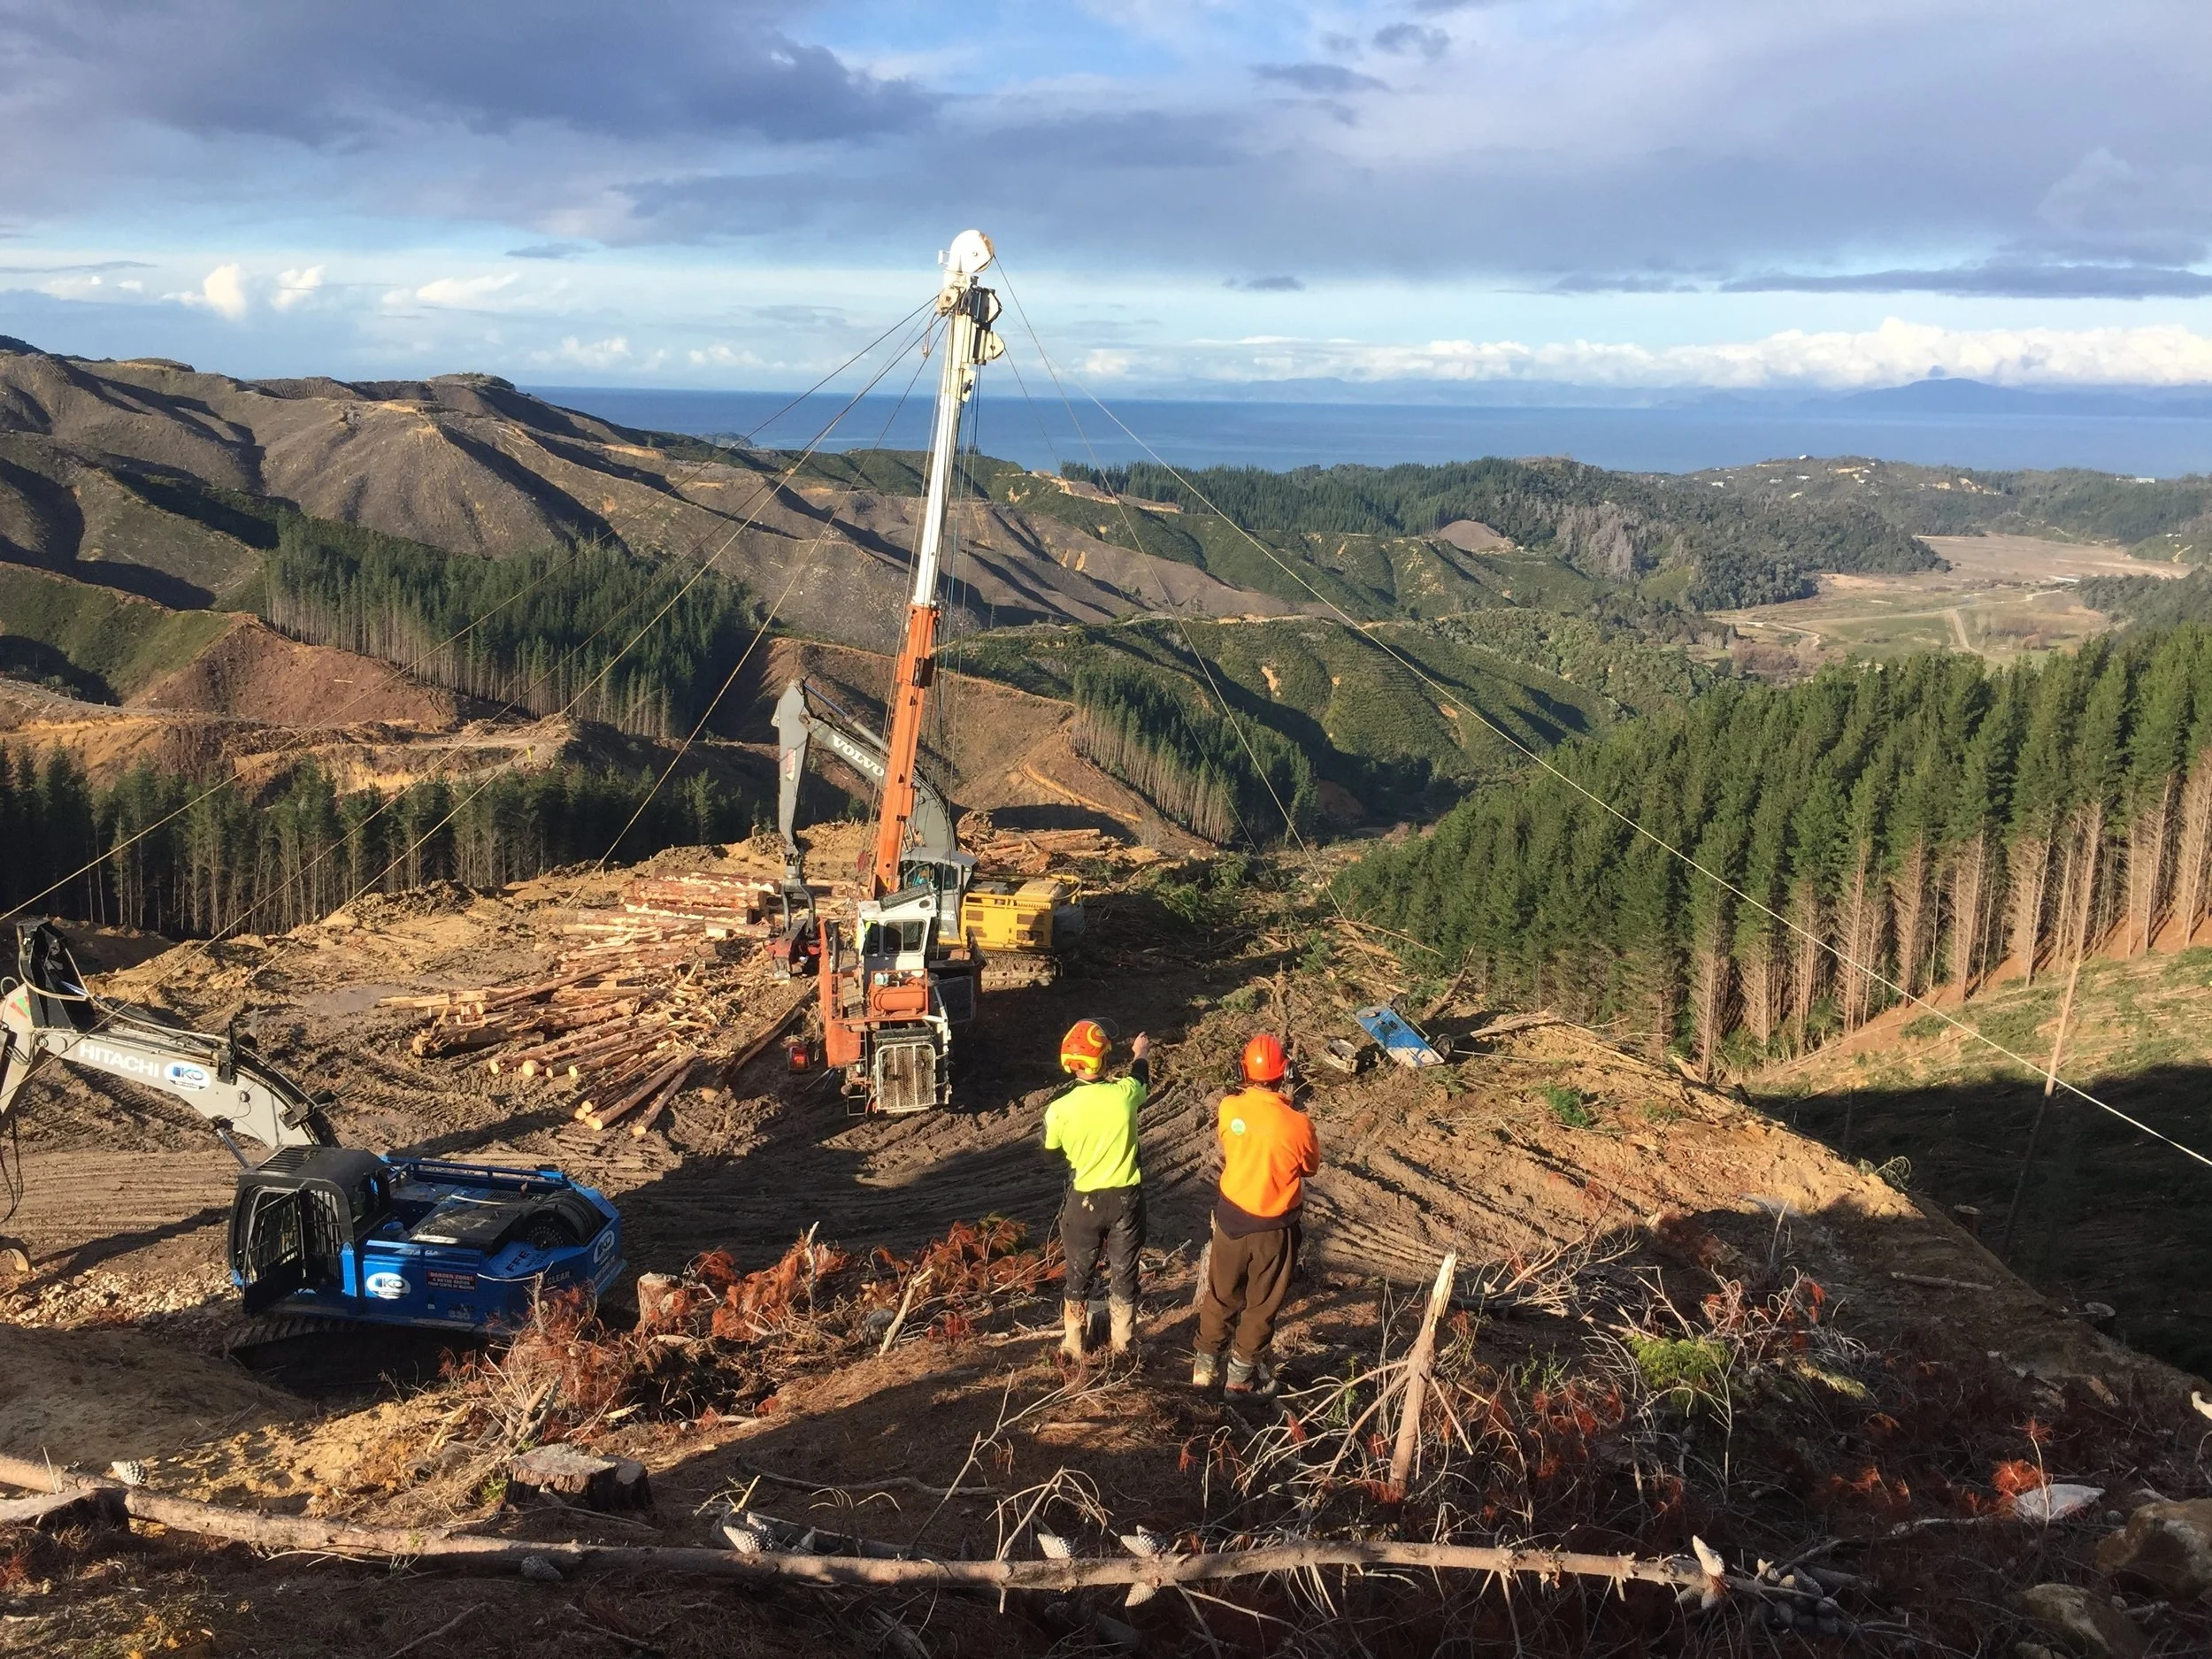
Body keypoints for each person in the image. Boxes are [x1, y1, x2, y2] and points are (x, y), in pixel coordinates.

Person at [1193, 1032, 1319, 1397]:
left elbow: (1233, 1138)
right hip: (1274, 1230)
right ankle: (1240, 1378)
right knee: (1261, 1305)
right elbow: (1309, 1167)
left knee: (1220, 1296)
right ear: (1286, 1071)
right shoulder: (1299, 1124)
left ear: (1243, 1071)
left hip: (1231, 1220)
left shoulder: (1229, 1108)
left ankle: (1204, 1369)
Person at [1042, 1018, 1151, 1361]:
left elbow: (1050, 1153)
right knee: (1124, 1271)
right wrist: (1140, 1053)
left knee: (1078, 1273)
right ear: (1103, 1060)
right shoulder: (1125, 1095)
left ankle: (1073, 1344)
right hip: (1125, 1198)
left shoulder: (1058, 1109)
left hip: (1083, 1200)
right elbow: (1140, 1078)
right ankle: (1124, 1343)